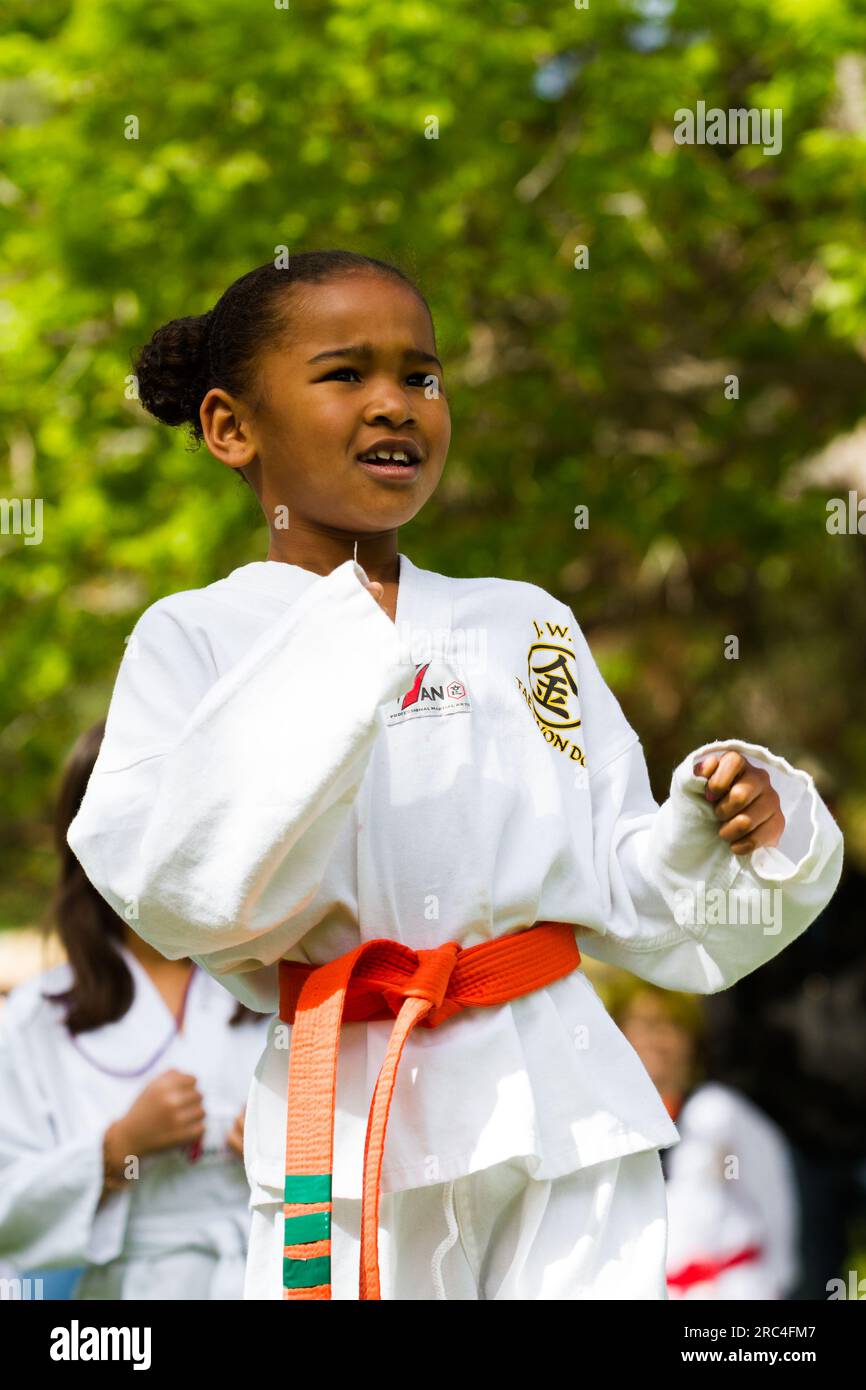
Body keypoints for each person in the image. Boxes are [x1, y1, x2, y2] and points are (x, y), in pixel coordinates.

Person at [65, 250, 844, 1301]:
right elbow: (176, 887)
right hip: (343, 1110)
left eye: (421, 376)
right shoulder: (194, 638)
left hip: (557, 1096)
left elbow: (624, 887)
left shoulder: (521, 623)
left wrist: (721, 821)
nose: (394, 404)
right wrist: (341, 634)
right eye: (345, 374)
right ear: (230, 426)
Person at [0, 722, 270, 1299]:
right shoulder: (34, 1019)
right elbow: (7, 1213)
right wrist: (117, 1147)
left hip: (263, 1275)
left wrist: (290, 1149)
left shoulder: (274, 984)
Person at [610, 979, 800, 1298]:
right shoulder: (608, 1126)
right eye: (644, 1025)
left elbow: (772, 1195)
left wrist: (777, 1279)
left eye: (671, 1027)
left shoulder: (718, 1113)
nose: (656, 1041)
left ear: (692, 1040)